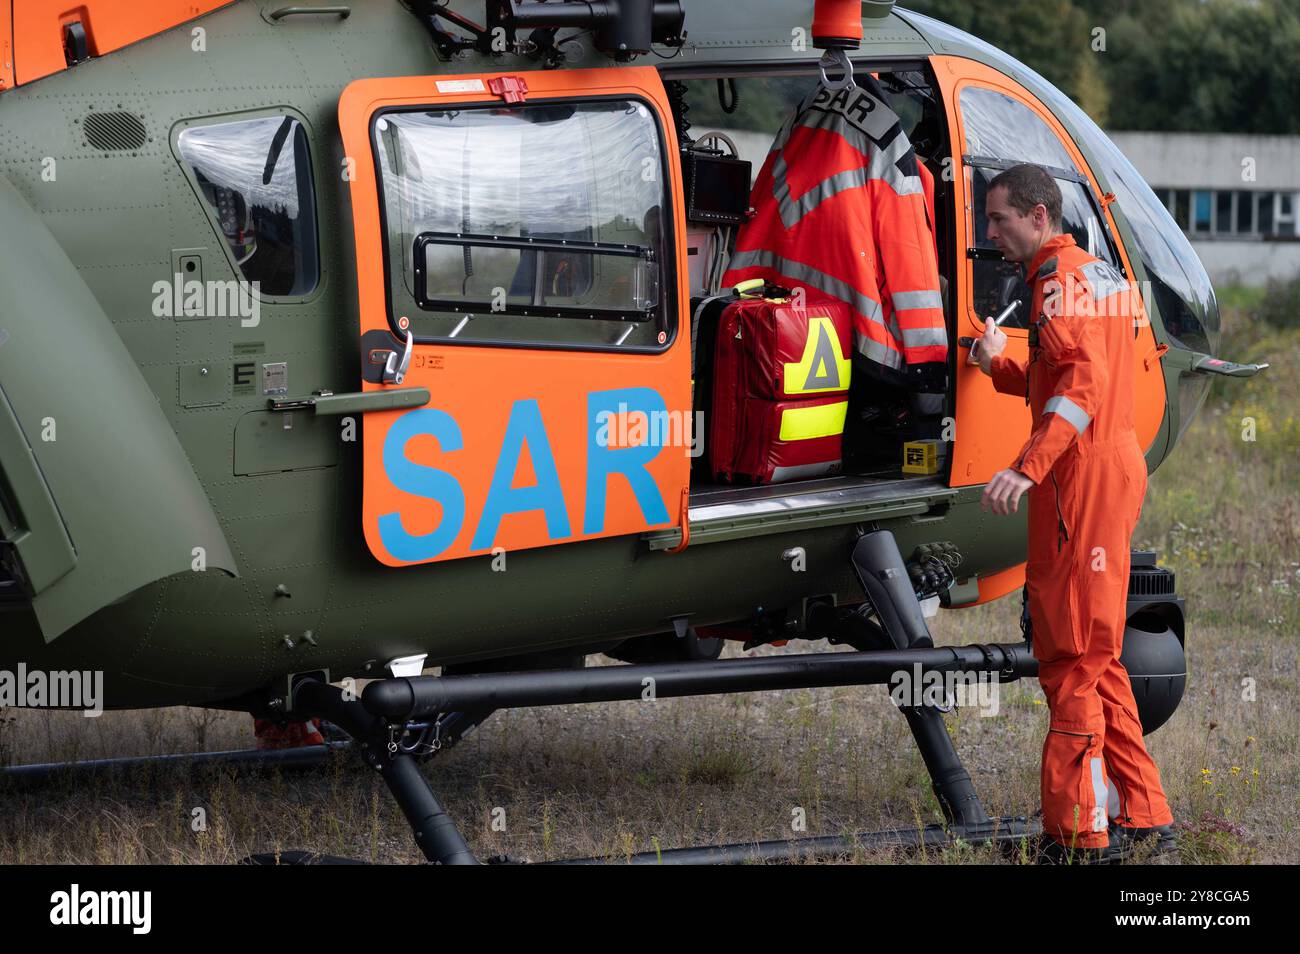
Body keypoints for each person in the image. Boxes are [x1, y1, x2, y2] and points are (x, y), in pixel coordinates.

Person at [969, 163, 1176, 864]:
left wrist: (1025, 469)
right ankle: (1142, 814)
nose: (989, 233)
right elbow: (1070, 378)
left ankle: (1077, 835)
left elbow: (1077, 389)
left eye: (998, 219)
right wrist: (997, 365)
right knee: (1102, 653)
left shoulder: (1055, 286)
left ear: (1038, 215)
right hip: (1115, 465)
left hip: (1078, 480)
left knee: (1070, 660)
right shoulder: (1101, 276)